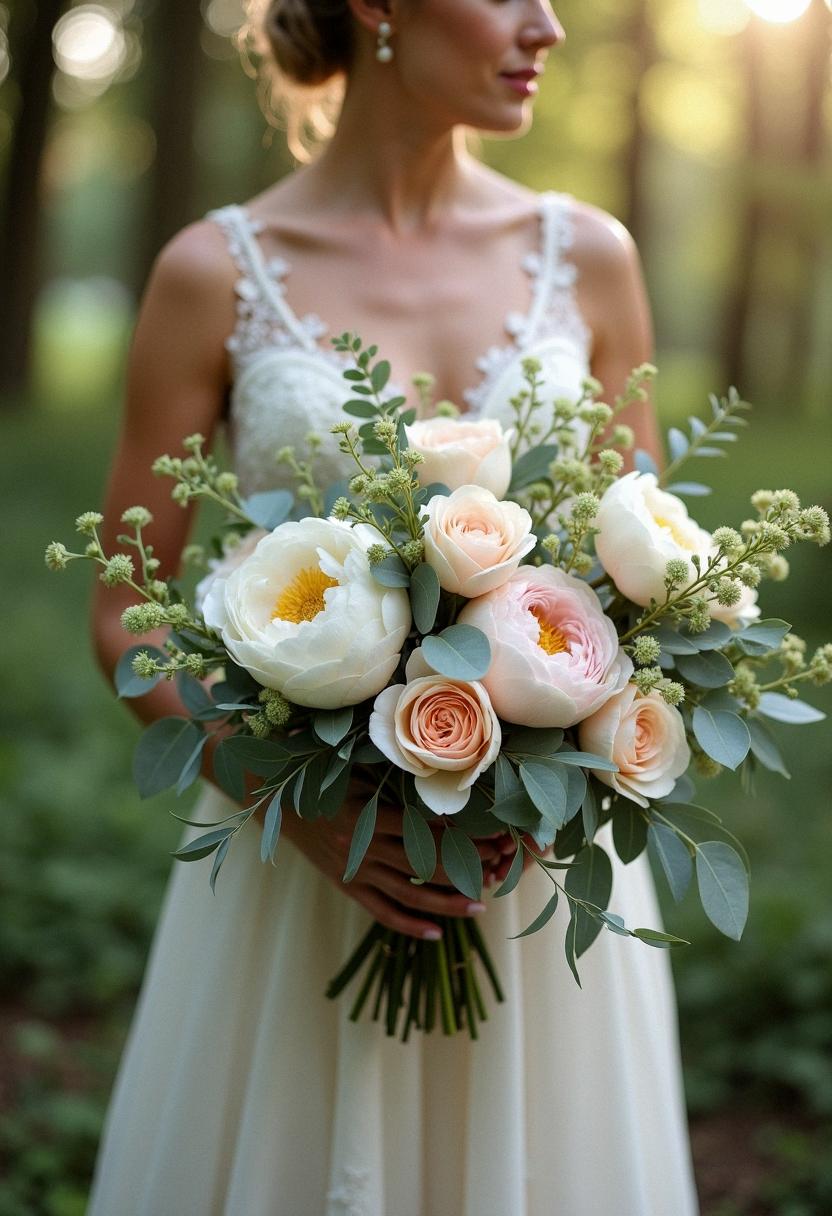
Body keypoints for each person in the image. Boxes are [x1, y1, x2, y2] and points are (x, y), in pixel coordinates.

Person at [87, 0, 700, 1212]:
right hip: (301, 856)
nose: (549, 27)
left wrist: (565, 758)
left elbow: (653, 576)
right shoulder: (214, 271)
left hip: (535, 868)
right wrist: (295, 804)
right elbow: (126, 606)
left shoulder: (593, 256)